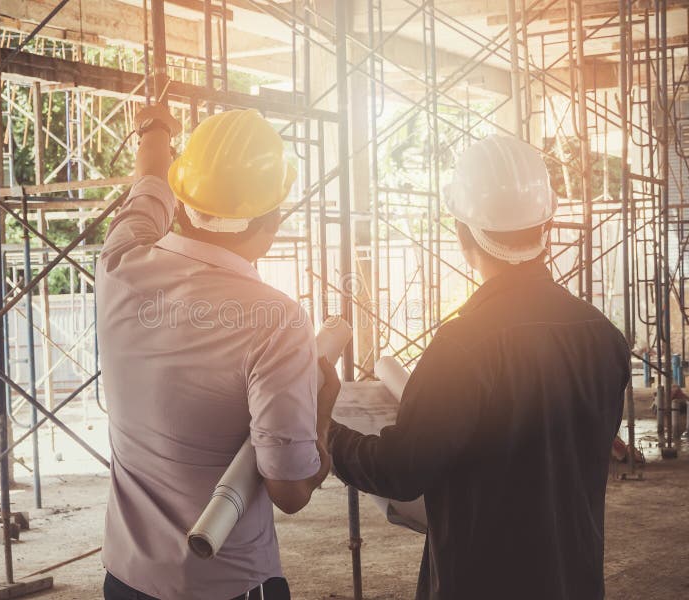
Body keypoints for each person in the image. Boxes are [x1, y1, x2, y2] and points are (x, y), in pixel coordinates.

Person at [324, 135, 631, 600]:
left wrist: (325, 434)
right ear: (546, 224)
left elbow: (402, 470)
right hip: (576, 580)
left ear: (460, 230)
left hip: (484, 581)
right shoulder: (605, 337)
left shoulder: (464, 345)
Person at [96, 103, 340, 600]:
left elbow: (149, 183)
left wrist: (156, 127)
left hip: (125, 578)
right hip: (225, 584)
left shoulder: (119, 261)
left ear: (182, 203)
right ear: (269, 224)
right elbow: (289, 491)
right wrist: (322, 413)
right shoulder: (277, 321)